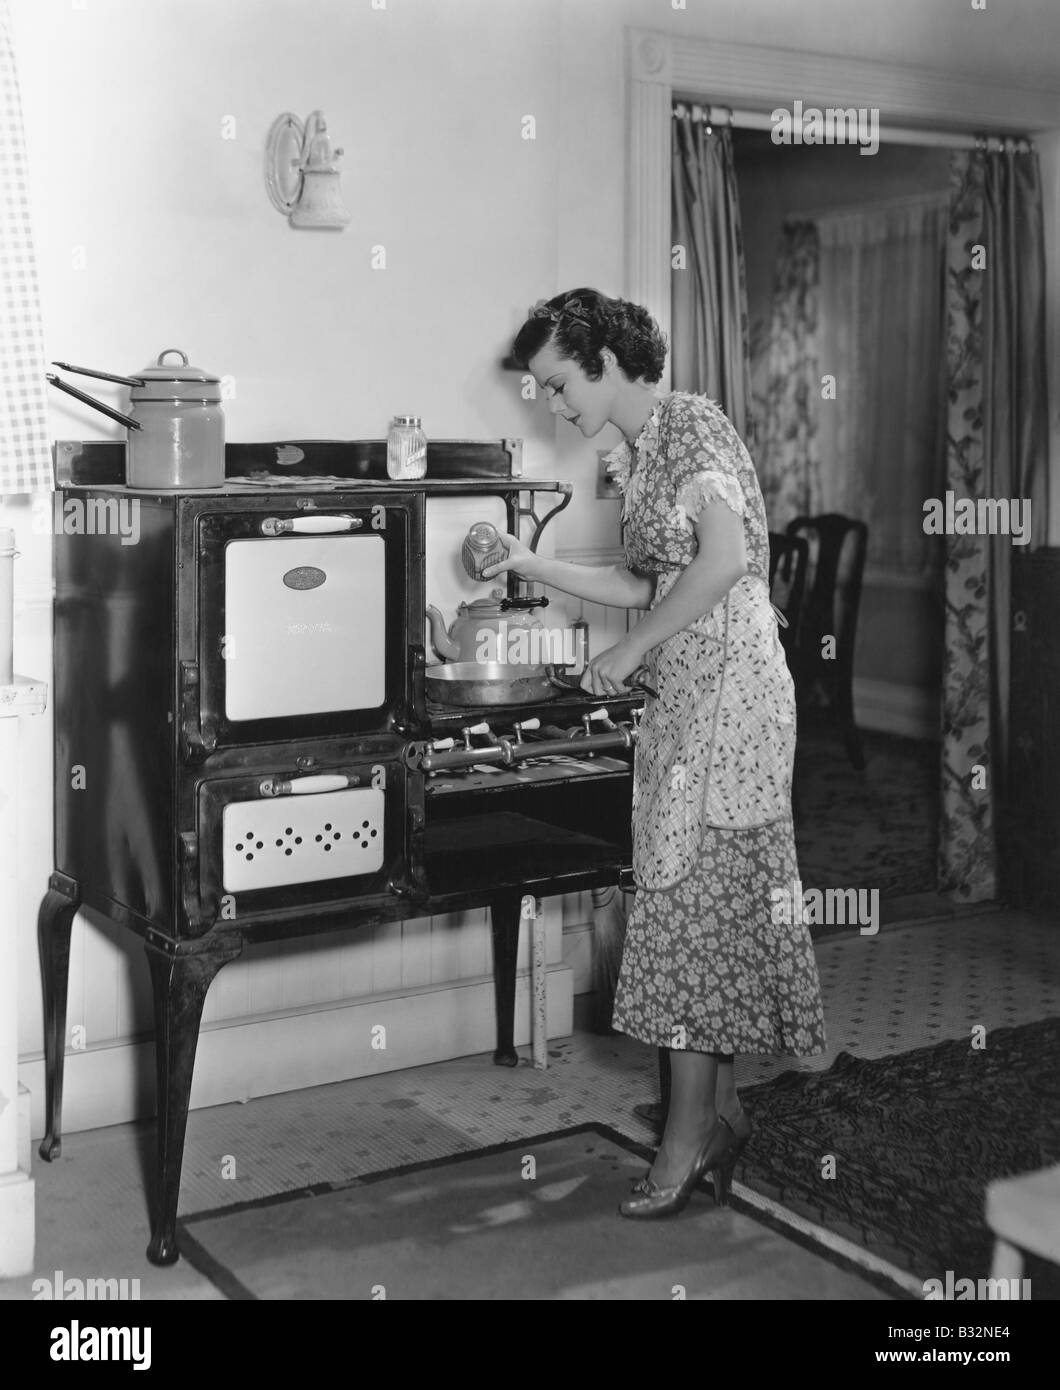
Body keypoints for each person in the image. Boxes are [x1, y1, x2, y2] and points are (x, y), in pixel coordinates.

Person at [483, 289, 827, 1219]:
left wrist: (630, 650)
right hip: (687, 695)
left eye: (558, 386)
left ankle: (690, 1136)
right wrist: (529, 564)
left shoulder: (694, 427)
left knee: (694, 905)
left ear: (602, 358)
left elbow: (721, 563)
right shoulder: (645, 455)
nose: (554, 407)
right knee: (685, 899)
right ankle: (715, 1113)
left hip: (733, 700)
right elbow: (645, 578)